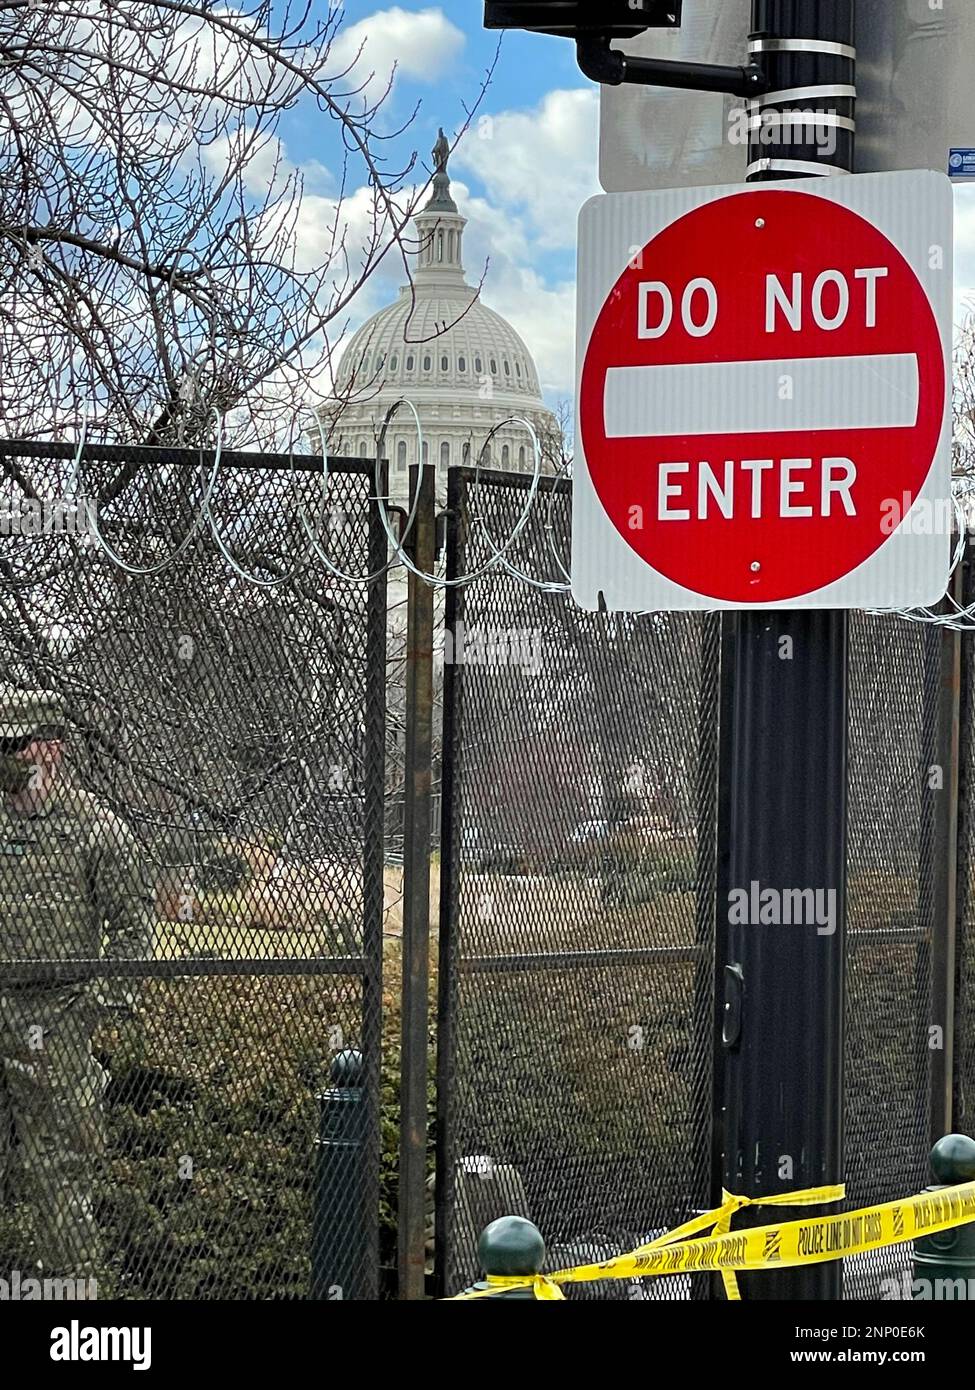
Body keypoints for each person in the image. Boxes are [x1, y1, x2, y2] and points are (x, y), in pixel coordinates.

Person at [0, 687, 154, 1280]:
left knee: (60, 1178)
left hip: (57, 1021)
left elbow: (132, 935)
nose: (9, 757)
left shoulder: (96, 830)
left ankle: (72, 1318)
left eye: (18, 744)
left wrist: (94, 1009)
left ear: (52, 750)